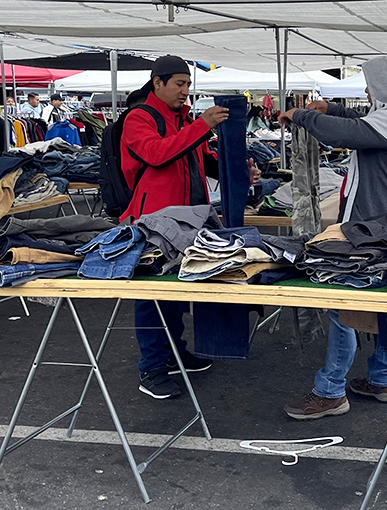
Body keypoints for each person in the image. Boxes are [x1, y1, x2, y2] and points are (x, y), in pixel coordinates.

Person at [278, 56, 387, 420]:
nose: (365, 90)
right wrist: (331, 107)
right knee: (383, 306)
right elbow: (361, 120)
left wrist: (301, 116)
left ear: (383, 87)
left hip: (371, 232)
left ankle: (330, 390)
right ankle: (381, 379)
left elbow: (345, 134)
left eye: (370, 85)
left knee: (342, 305)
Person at [120, 55, 231, 400]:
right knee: (152, 296)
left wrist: (232, 168)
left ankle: (174, 352)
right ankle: (151, 369)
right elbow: (156, 154)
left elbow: (197, 162)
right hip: (153, 222)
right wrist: (201, 127)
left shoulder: (183, 120)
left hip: (185, 220)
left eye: (188, 84)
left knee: (177, 290)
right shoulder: (139, 118)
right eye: (179, 84)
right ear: (158, 83)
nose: (186, 91)